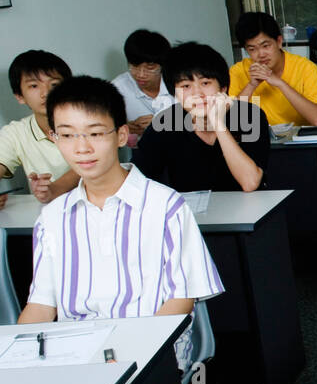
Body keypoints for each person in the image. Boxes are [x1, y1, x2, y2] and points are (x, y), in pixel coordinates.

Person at [18, 77, 223, 368]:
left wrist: (127, 355)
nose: (82, 148)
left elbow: (181, 301)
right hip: (77, 356)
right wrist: (18, 358)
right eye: (67, 135)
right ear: (54, 138)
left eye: (95, 133)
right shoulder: (52, 218)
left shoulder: (164, 205)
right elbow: (40, 305)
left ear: (121, 135)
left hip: (153, 352)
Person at [136, 42, 270, 192]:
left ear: (223, 88)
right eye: (186, 86)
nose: (197, 94)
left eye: (205, 83)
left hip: (252, 210)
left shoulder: (250, 116)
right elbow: (136, 179)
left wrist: (218, 123)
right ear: (175, 94)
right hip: (191, 213)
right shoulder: (165, 122)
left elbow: (250, 182)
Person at [0, 50, 77, 207]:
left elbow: (95, 165)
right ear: (19, 96)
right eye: (34, 86)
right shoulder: (16, 132)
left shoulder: (89, 122)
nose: (46, 93)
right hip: (46, 216)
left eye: (54, 84)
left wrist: (54, 190)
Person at [229, 11, 317, 127]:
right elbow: (233, 121)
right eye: (252, 49)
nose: (261, 54)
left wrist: (280, 84)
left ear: (279, 42)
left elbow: (316, 119)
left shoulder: (306, 68)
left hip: (302, 141)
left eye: (266, 46)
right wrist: (251, 85)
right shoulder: (237, 71)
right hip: (260, 141)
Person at [110, 29, 175, 148]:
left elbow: (200, 123)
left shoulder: (178, 82)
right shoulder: (118, 87)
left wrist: (162, 125)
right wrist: (124, 129)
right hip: (143, 155)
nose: (140, 74)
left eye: (150, 68)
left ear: (162, 65)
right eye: (134, 66)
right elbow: (107, 130)